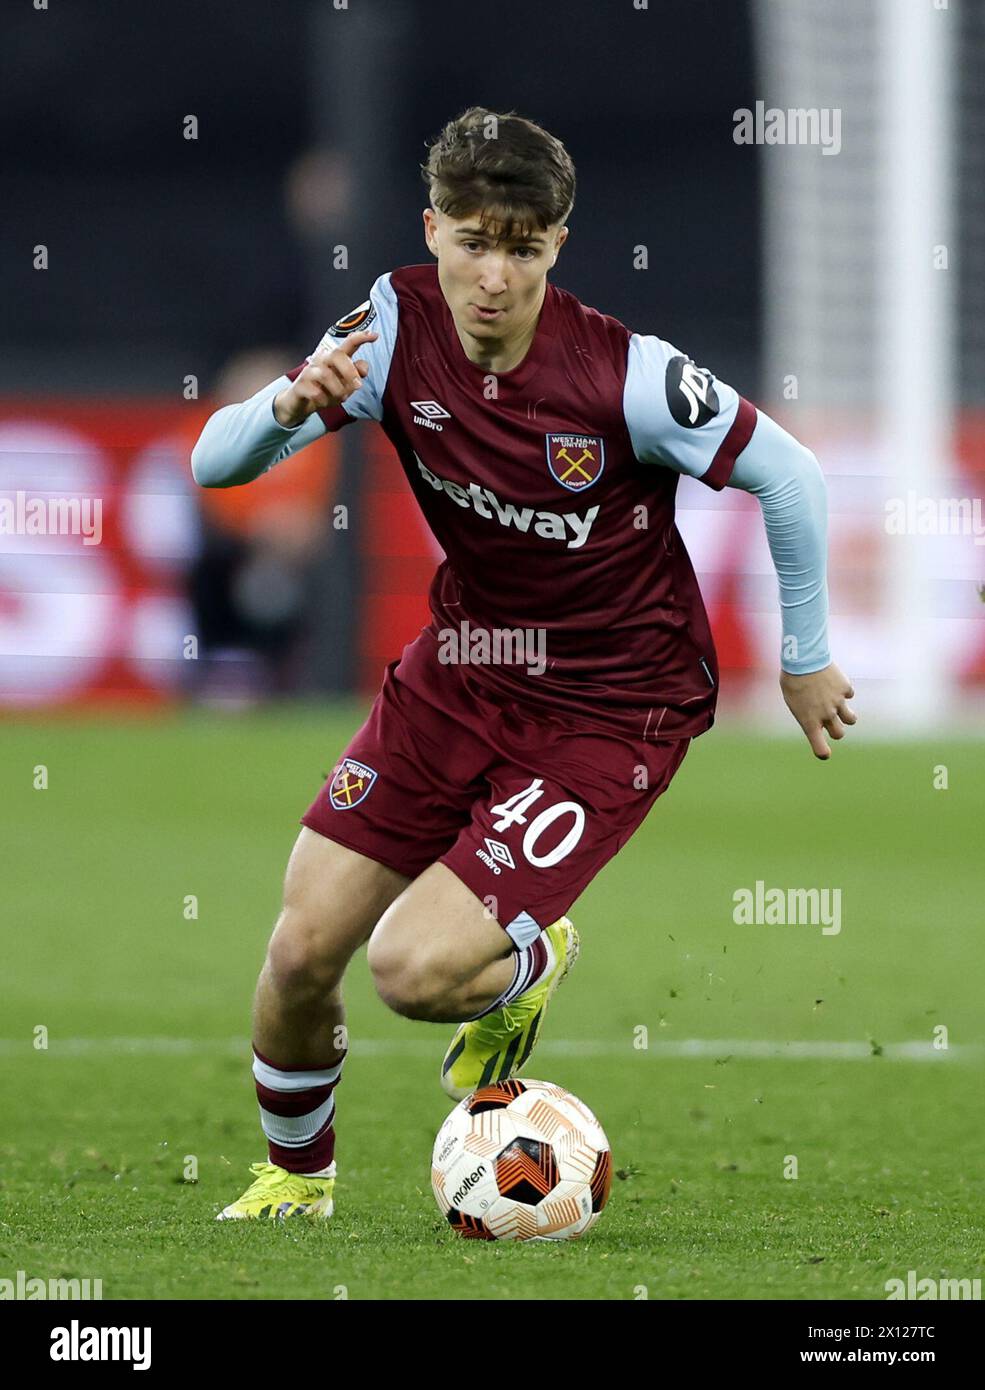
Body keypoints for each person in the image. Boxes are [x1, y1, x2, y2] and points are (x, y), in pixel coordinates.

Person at [191, 106, 856, 1222]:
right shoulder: (393, 326)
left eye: (522, 247)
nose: (492, 275)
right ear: (431, 229)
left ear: (557, 244)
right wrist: (283, 408)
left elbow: (789, 477)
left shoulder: (626, 377)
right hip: (465, 669)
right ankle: (296, 1183)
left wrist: (804, 660)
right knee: (302, 949)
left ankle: (526, 966)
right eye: (470, 240)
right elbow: (217, 465)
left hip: (611, 709)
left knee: (411, 973)